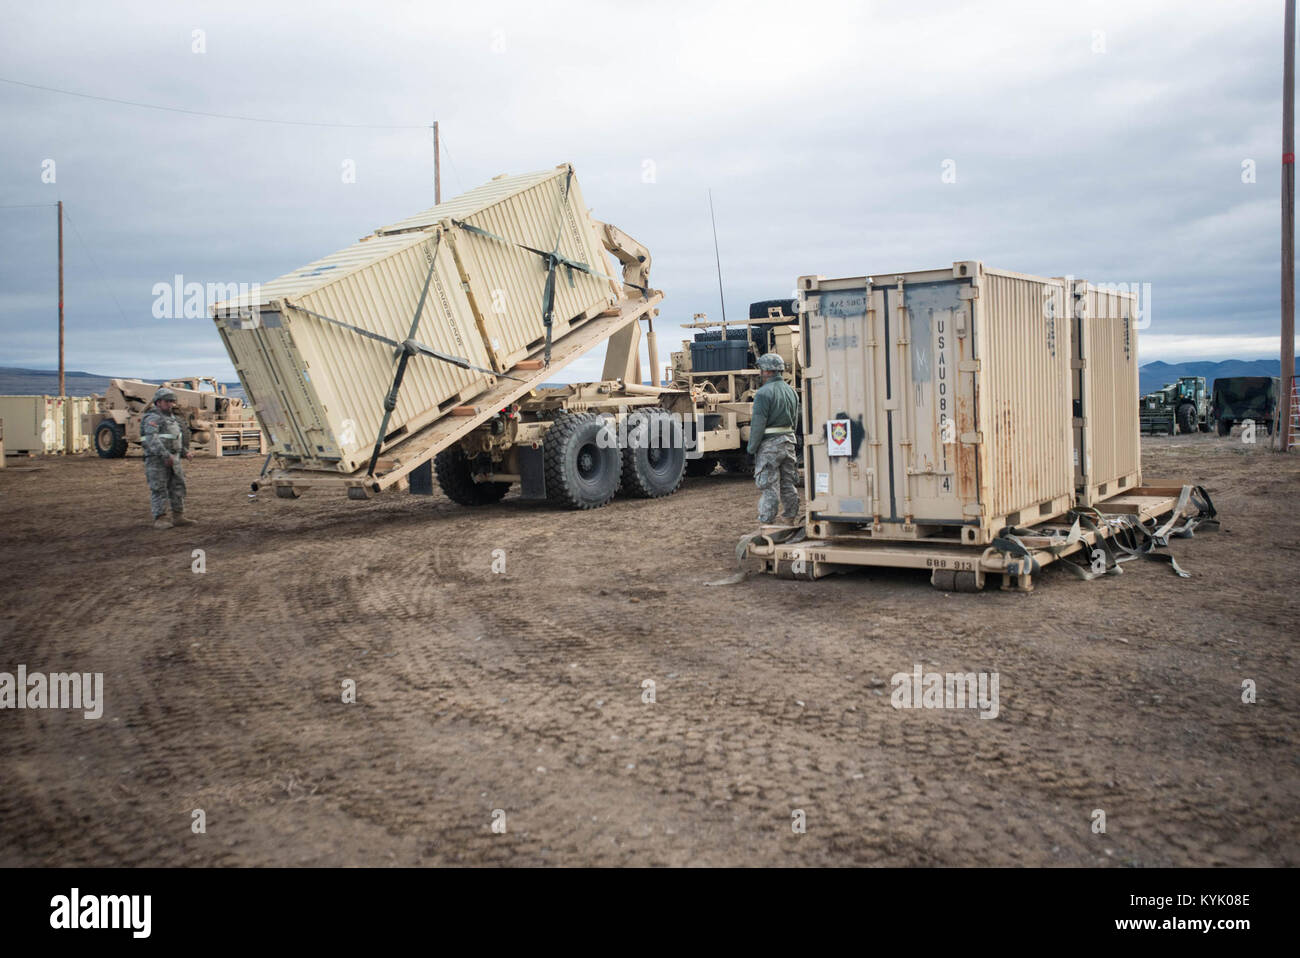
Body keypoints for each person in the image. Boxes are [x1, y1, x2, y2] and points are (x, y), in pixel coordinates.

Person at [748, 353, 800, 525]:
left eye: (762, 369)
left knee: (769, 486)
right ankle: (790, 518)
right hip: (789, 442)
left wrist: (752, 448)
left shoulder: (763, 394)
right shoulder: (792, 392)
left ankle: (766, 523)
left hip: (770, 445)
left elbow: (758, 425)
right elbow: (795, 421)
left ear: (767, 371)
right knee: (788, 483)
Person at [141, 387, 195, 529]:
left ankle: (178, 516)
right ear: (158, 402)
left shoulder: (173, 419)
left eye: (172, 401)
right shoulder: (152, 418)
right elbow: (151, 439)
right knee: (159, 488)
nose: (171, 404)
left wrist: (184, 452)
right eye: (167, 401)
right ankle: (160, 518)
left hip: (174, 459)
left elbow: (175, 438)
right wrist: (165, 455)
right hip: (157, 460)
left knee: (177, 486)